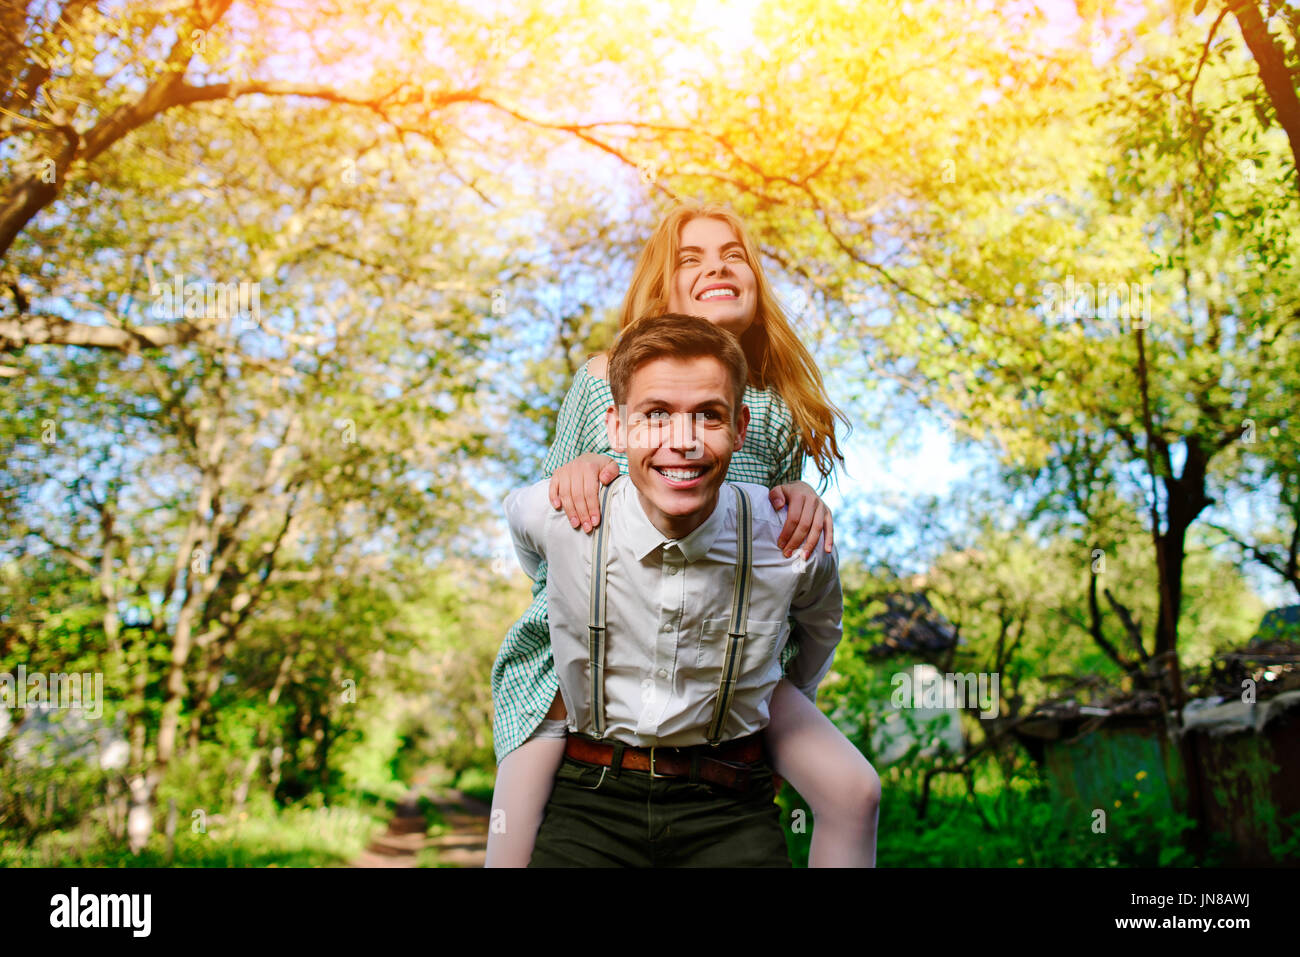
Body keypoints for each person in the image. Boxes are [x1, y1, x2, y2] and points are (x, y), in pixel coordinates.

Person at [487, 201, 880, 867]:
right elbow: (554, 522)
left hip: (726, 646)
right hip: (596, 643)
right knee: (511, 826)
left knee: (854, 789)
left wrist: (802, 494)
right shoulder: (603, 377)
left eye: (732, 255)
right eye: (690, 259)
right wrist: (580, 468)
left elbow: (779, 538)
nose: (716, 267)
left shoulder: (773, 409)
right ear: (662, 288)